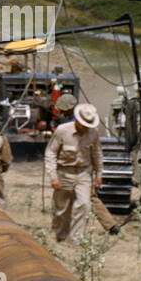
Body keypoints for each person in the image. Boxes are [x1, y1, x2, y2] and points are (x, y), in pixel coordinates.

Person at [54, 93, 121, 234]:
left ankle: (110, 226)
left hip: (79, 168)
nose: (61, 112)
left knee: (86, 199)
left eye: (63, 110)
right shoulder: (76, 121)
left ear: (69, 109)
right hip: (76, 168)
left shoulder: (76, 124)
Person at [44, 102, 103, 242]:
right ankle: (61, 236)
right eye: (83, 124)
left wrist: (99, 174)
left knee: (84, 205)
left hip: (84, 173)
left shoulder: (93, 133)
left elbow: (97, 154)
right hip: (64, 173)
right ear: (77, 120)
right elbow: (50, 153)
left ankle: (76, 238)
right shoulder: (62, 130)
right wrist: (53, 176)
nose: (85, 128)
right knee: (62, 209)